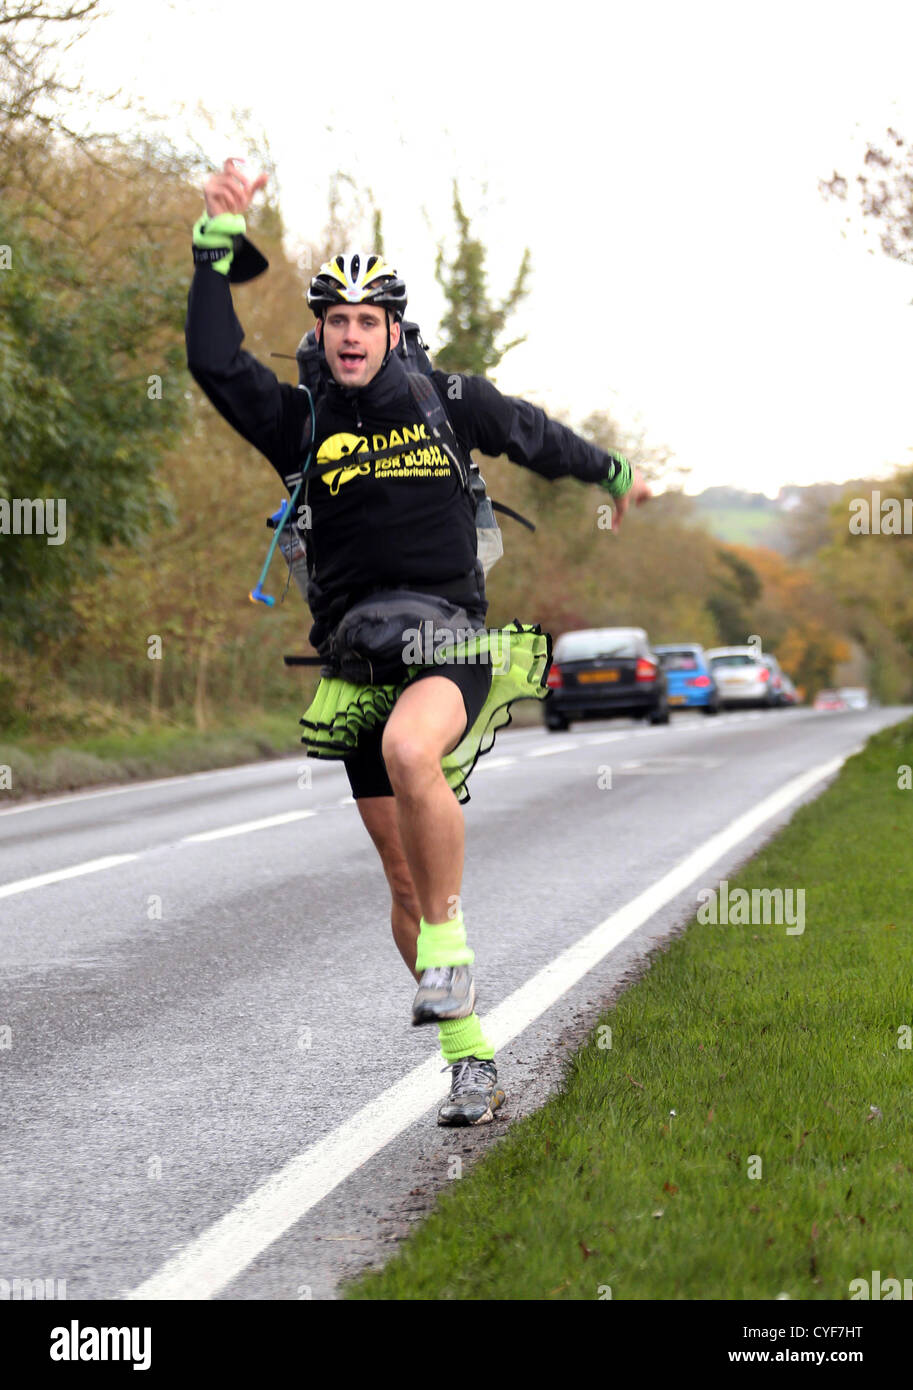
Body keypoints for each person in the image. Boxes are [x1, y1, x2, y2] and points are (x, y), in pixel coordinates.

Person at [185, 157, 652, 1126]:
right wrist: (213, 244)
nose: (350, 334)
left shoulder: (447, 399)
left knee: (411, 753)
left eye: (367, 320)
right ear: (318, 331)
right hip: (355, 656)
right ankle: (470, 1060)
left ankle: (447, 945)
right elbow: (213, 360)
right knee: (398, 871)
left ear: (391, 330)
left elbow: (533, 434)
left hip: (449, 639)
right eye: (334, 320)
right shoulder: (299, 420)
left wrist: (613, 472)